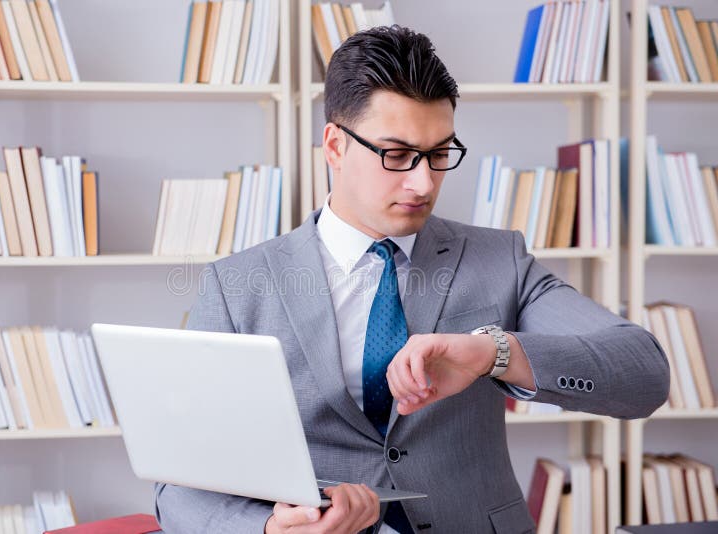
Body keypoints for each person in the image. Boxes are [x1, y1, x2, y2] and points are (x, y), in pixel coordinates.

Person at [154, 25, 669, 534]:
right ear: (334, 145)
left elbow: (645, 373)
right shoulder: (237, 286)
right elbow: (178, 486)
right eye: (396, 155)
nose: (423, 183)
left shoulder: (498, 260)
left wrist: (494, 353)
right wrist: (268, 528)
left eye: (440, 154)